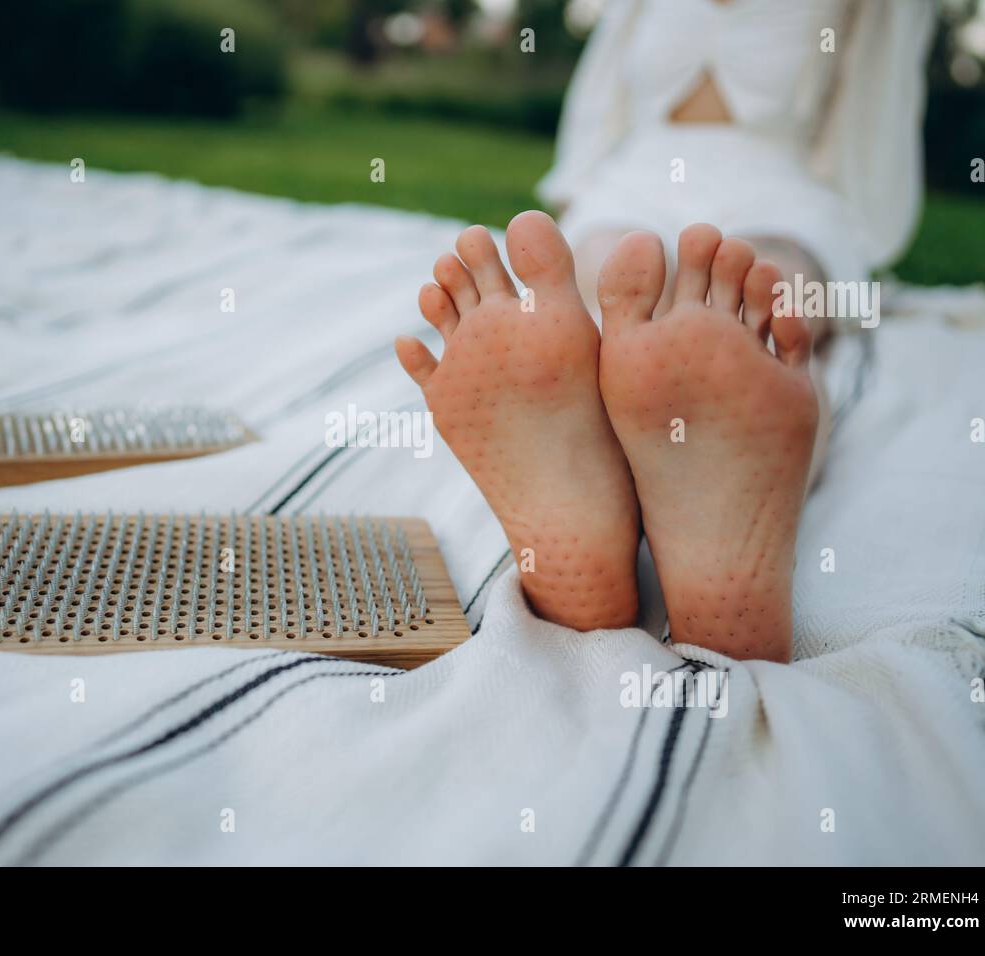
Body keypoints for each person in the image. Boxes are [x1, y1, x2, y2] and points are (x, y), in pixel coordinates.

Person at [393, 0, 936, 661]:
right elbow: (603, 103)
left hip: (780, 185)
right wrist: (579, 200)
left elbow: (875, 105)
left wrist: (856, 229)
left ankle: (701, 514)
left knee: (768, 306)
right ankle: (594, 482)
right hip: (638, 178)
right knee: (600, 283)